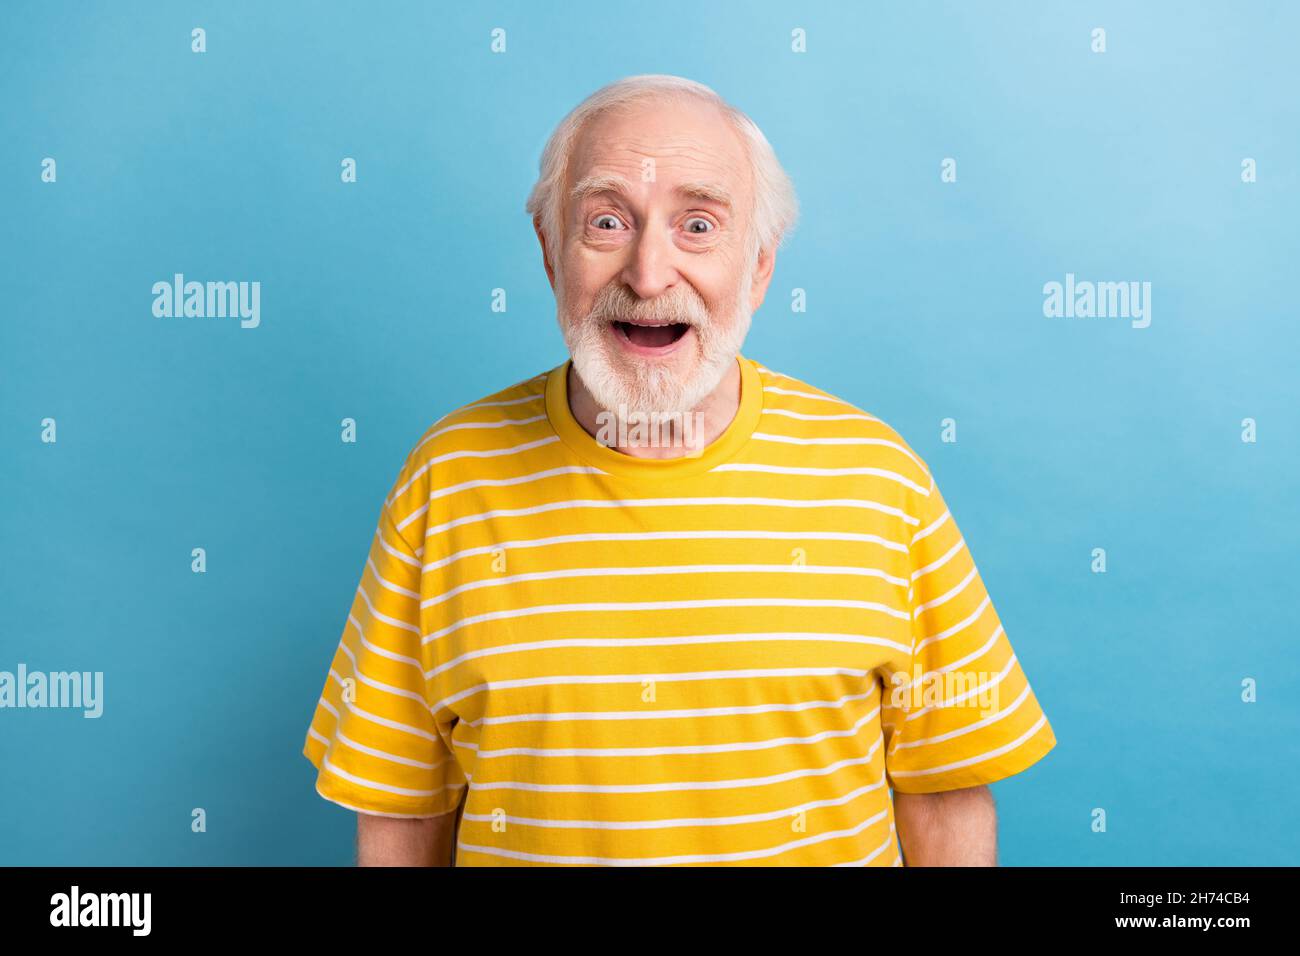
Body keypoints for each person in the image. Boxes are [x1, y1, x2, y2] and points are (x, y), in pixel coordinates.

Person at [302, 74, 1056, 866]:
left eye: (698, 225)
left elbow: (945, 794)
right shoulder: (446, 477)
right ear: (551, 254)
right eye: (605, 222)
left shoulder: (880, 480)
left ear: (759, 267)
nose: (650, 273)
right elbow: (399, 811)